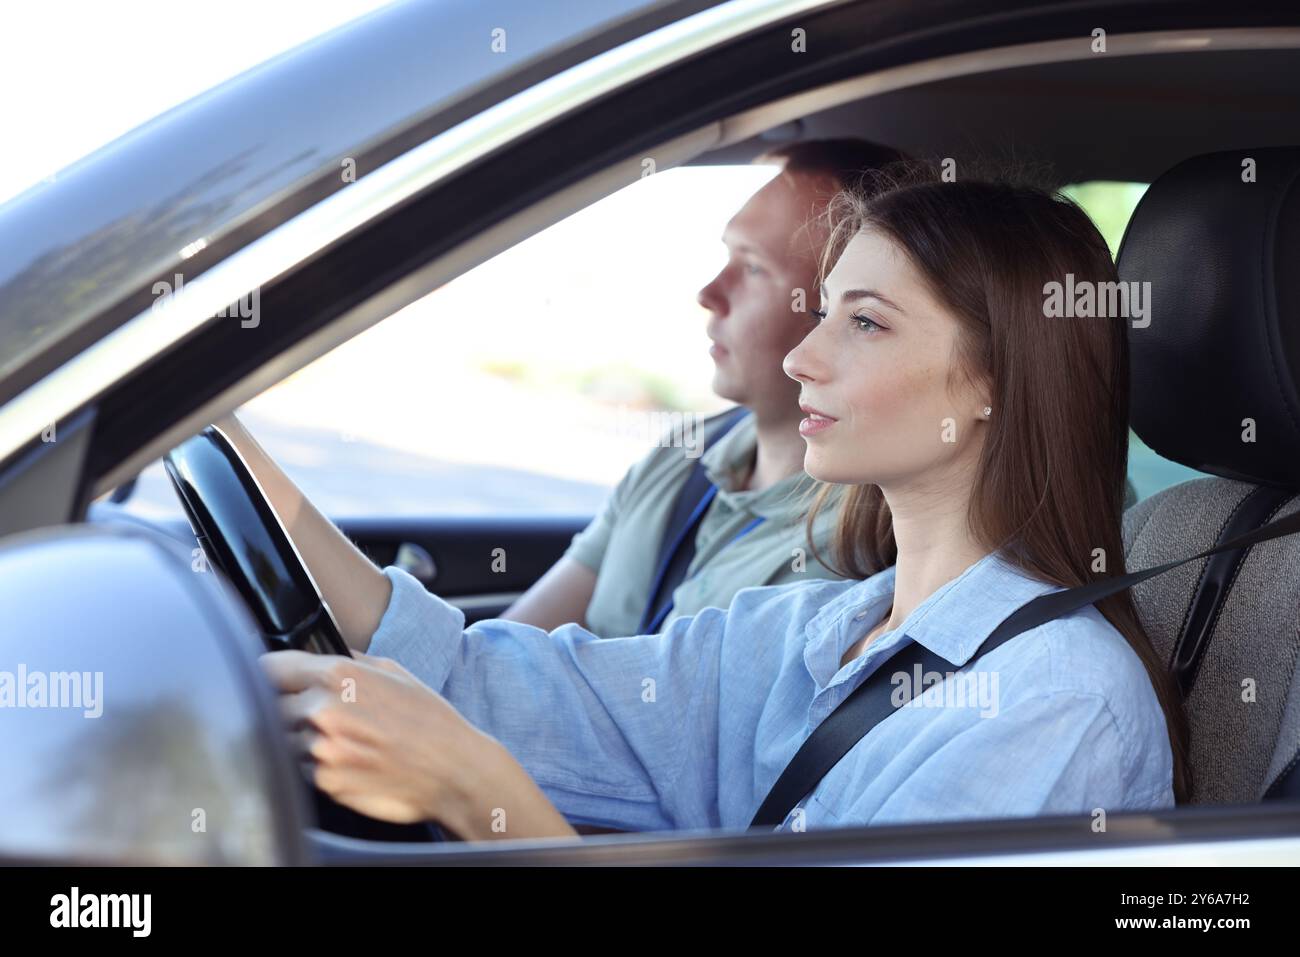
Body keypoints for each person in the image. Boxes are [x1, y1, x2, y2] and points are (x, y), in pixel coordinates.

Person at [258, 176, 1190, 841]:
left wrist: (478, 793)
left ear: (994, 379)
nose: (801, 359)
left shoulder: (1056, 704)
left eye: (863, 321)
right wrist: (238, 456)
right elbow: (479, 681)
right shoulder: (811, 632)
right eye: (822, 312)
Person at [498, 139, 907, 636]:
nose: (709, 294)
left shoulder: (864, 545)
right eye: (727, 257)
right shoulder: (683, 455)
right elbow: (505, 649)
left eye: (755, 268)